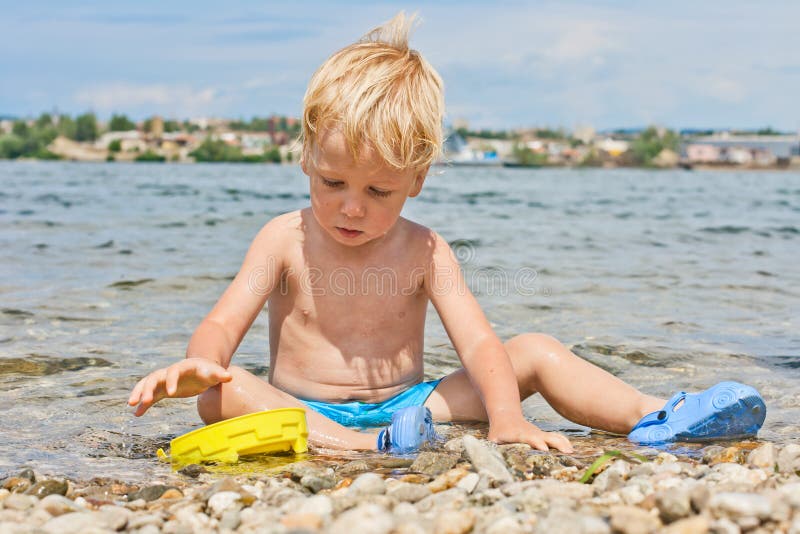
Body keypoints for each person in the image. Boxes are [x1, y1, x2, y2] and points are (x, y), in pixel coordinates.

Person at [128, 13, 766, 453]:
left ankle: (656, 417)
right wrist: (200, 363)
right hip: (302, 410)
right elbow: (222, 322)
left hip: (413, 407)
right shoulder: (282, 239)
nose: (351, 208)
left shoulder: (424, 249)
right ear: (305, 160)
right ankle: (359, 447)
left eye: (377, 191)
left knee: (535, 351)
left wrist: (508, 418)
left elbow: (481, 345)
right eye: (332, 183)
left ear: (417, 180)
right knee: (219, 396)